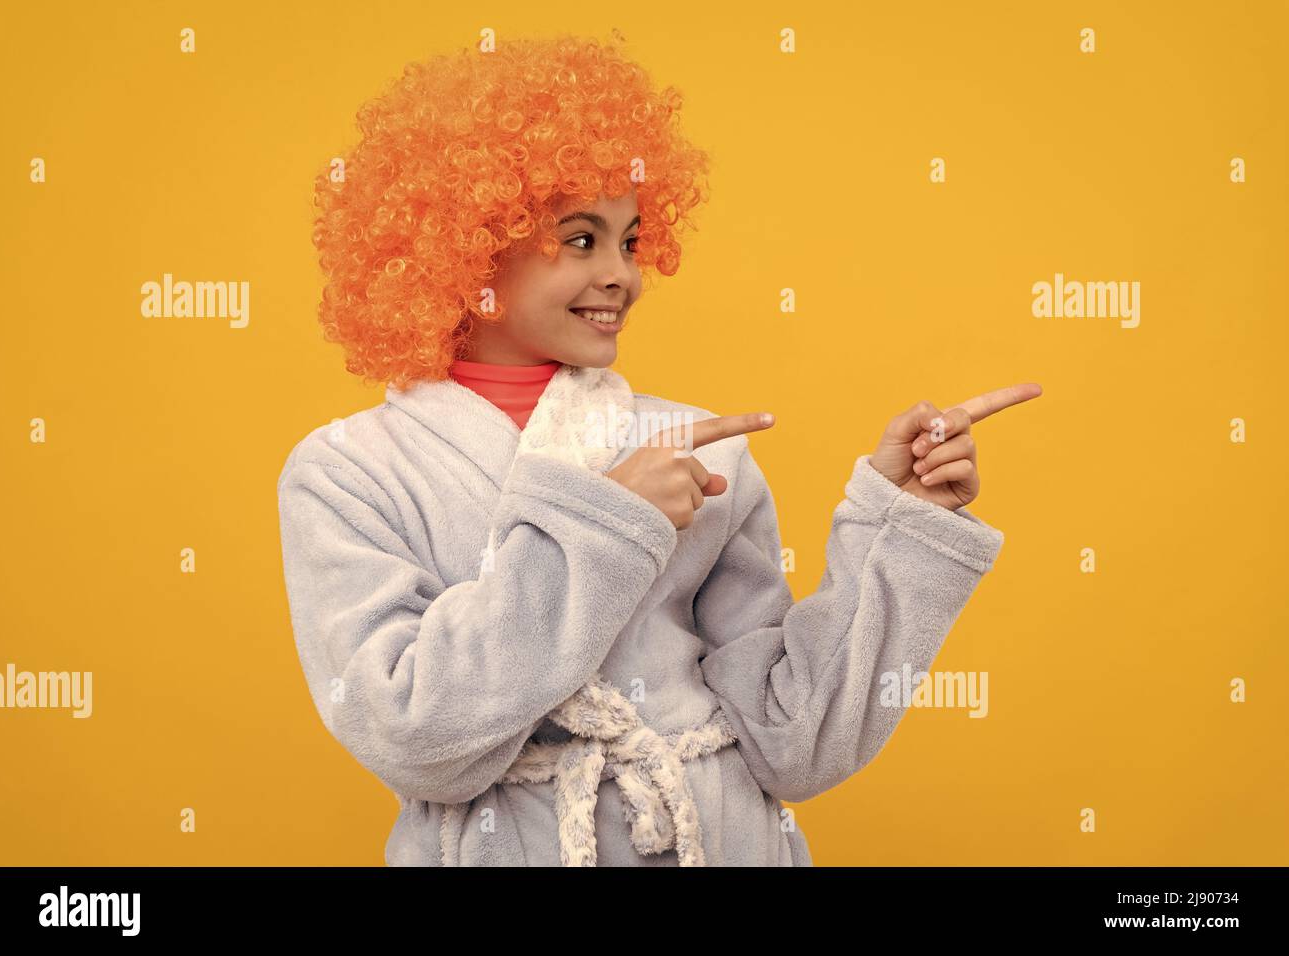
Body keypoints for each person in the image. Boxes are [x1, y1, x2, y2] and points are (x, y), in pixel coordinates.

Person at [277, 33, 1040, 866]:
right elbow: (414, 738)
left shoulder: (693, 450)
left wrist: (898, 529)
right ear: (470, 250)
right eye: (580, 240)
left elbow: (796, 744)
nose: (622, 276)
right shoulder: (349, 472)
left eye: (631, 240)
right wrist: (610, 521)